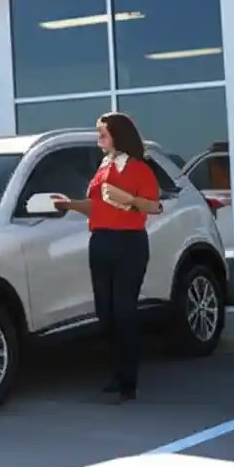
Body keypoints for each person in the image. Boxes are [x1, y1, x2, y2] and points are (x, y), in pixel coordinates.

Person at [54, 112, 163, 403]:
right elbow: (97, 207)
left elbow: (154, 207)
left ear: (119, 135)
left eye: (102, 133)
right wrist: (70, 205)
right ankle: (116, 375)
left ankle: (129, 382)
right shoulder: (103, 166)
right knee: (106, 314)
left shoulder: (139, 169)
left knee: (124, 311)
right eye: (98, 133)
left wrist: (127, 199)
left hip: (129, 244)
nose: (98, 138)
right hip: (100, 241)